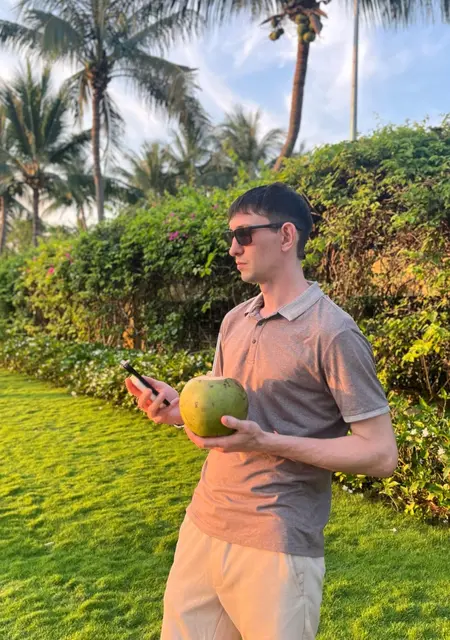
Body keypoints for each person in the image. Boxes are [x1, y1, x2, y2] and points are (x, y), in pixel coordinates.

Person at [125, 182, 398, 640]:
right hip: (204, 524)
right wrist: (178, 409)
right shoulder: (235, 320)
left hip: (276, 541)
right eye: (231, 237)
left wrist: (267, 442)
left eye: (245, 235)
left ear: (286, 236)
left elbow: (381, 454)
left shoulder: (333, 333)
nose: (233, 248)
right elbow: (226, 421)